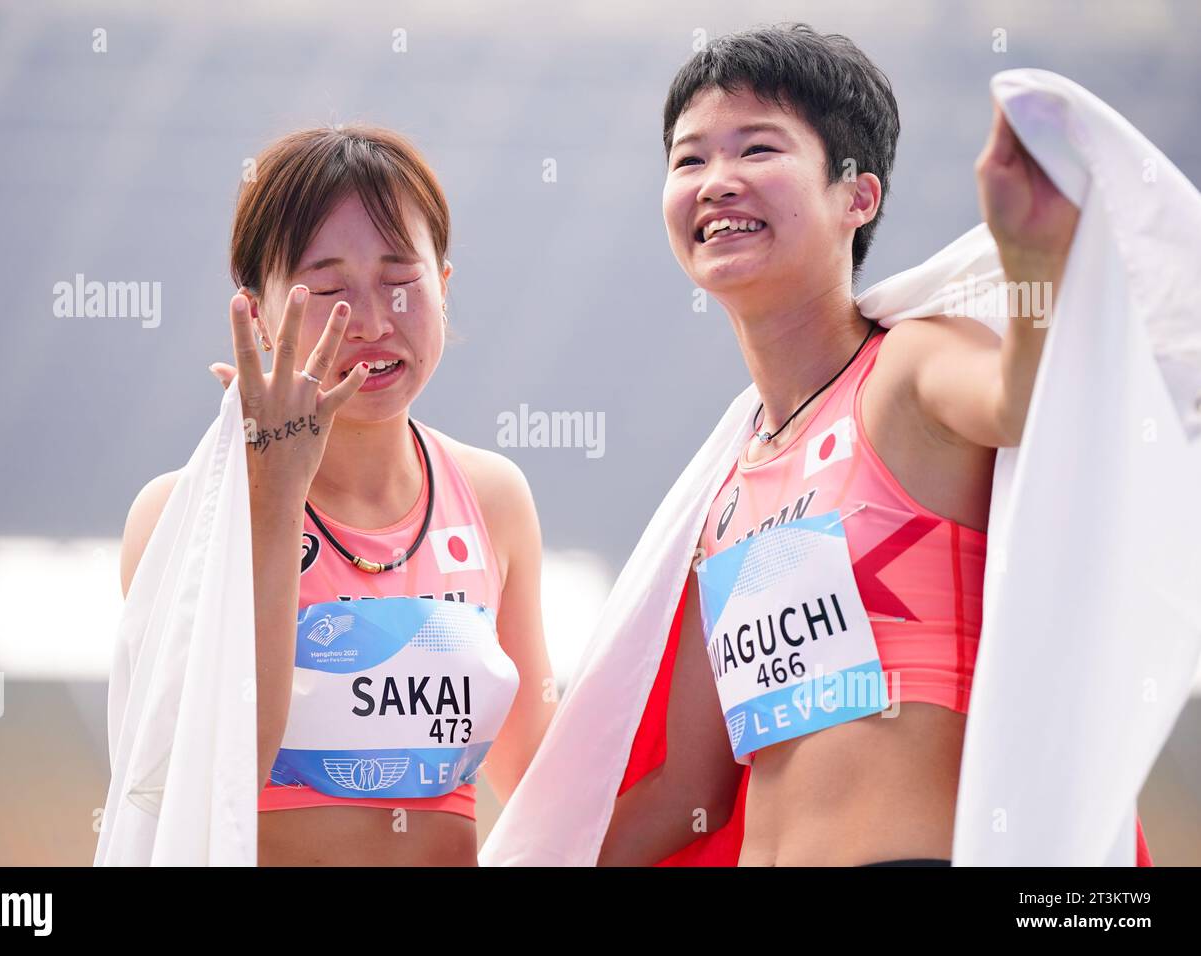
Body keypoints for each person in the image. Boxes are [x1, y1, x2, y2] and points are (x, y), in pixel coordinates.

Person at [595, 24, 1151, 866]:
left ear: (857, 196)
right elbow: (688, 791)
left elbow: (1033, 406)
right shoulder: (727, 487)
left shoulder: (905, 369)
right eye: (689, 160)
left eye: (757, 148)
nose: (718, 183)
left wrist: (1036, 261)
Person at [117, 124, 555, 866]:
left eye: (401, 280)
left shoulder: (494, 498)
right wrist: (277, 496)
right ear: (257, 314)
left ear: (443, 287)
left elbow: (546, 783)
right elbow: (205, 778)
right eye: (329, 290)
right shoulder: (181, 515)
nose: (376, 323)